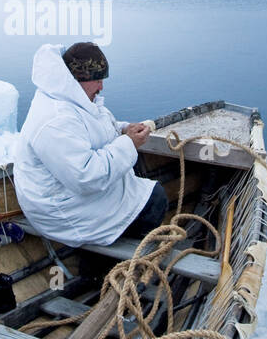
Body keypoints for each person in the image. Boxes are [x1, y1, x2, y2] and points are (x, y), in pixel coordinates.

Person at [13, 41, 169, 248]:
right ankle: (104, 267)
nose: (101, 86)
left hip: (69, 196)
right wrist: (128, 144)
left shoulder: (71, 98)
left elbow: (96, 125)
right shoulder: (55, 120)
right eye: (97, 80)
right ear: (78, 78)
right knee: (155, 201)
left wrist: (123, 130)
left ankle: (113, 246)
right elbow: (85, 177)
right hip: (61, 212)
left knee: (139, 180)